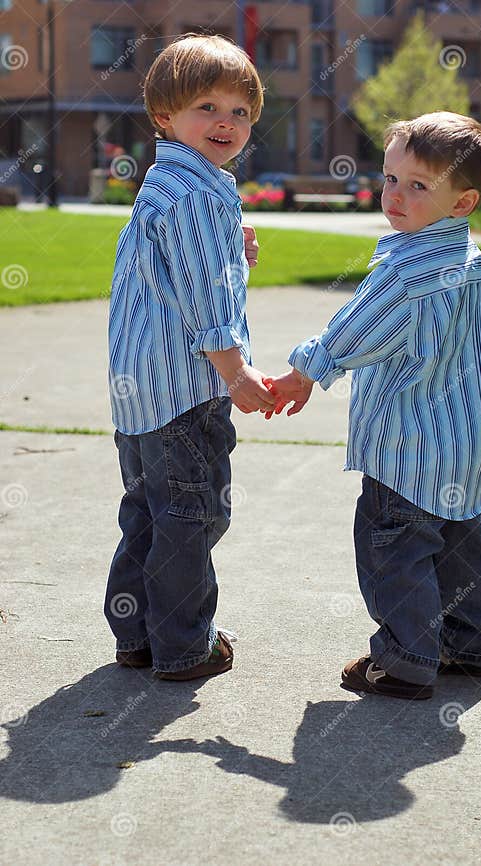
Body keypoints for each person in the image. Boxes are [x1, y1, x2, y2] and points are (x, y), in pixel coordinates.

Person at [268, 112, 481, 700]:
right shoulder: (477, 270)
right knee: (458, 547)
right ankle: (471, 645)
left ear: (463, 201)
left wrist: (306, 372)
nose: (395, 195)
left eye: (418, 185)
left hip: (404, 452)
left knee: (395, 556)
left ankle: (405, 660)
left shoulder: (405, 272)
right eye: (390, 178)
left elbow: (355, 332)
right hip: (461, 451)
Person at [104, 34, 276, 681]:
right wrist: (235, 372)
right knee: (194, 513)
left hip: (140, 391)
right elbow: (209, 301)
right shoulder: (200, 195)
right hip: (186, 392)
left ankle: (138, 633)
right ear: (165, 116)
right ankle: (183, 643)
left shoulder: (164, 184)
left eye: (239, 110)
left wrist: (234, 246)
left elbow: (172, 274)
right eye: (208, 107)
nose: (226, 122)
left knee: (149, 511)